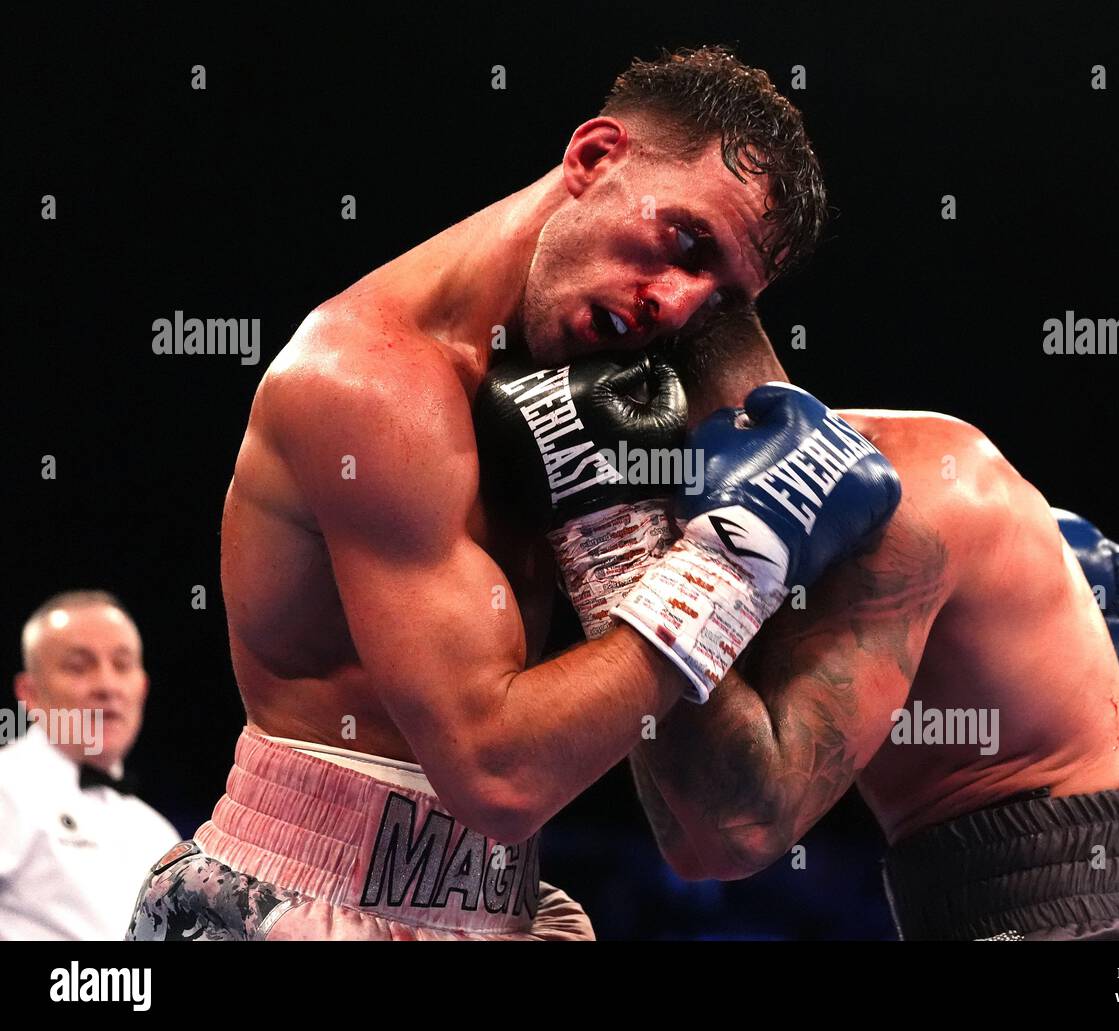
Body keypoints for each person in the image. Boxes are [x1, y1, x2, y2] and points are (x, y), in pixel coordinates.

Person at [126, 46, 902, 941]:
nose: (678, 305)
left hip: (500, 906)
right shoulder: (371, 386)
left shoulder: (616, 359)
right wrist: (731, 563)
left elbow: (809, 494)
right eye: (684, 241)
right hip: (299, 902)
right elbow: (497, 776)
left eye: (720, 293)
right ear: (592, 157)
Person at [620, 315, 1119, 941]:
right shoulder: (730, 554)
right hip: (959, 906)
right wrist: (630, 554)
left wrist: (619, 552)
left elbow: (741, 834)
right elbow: (694, 845)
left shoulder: (920, 479)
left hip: (1093, 909)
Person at [0, 591, 178, 940]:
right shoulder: (6, 786)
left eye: (122, 665)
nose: (107, 686)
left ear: (141, 688)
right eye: (78, 667)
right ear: (29, 693)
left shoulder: (159, 835)